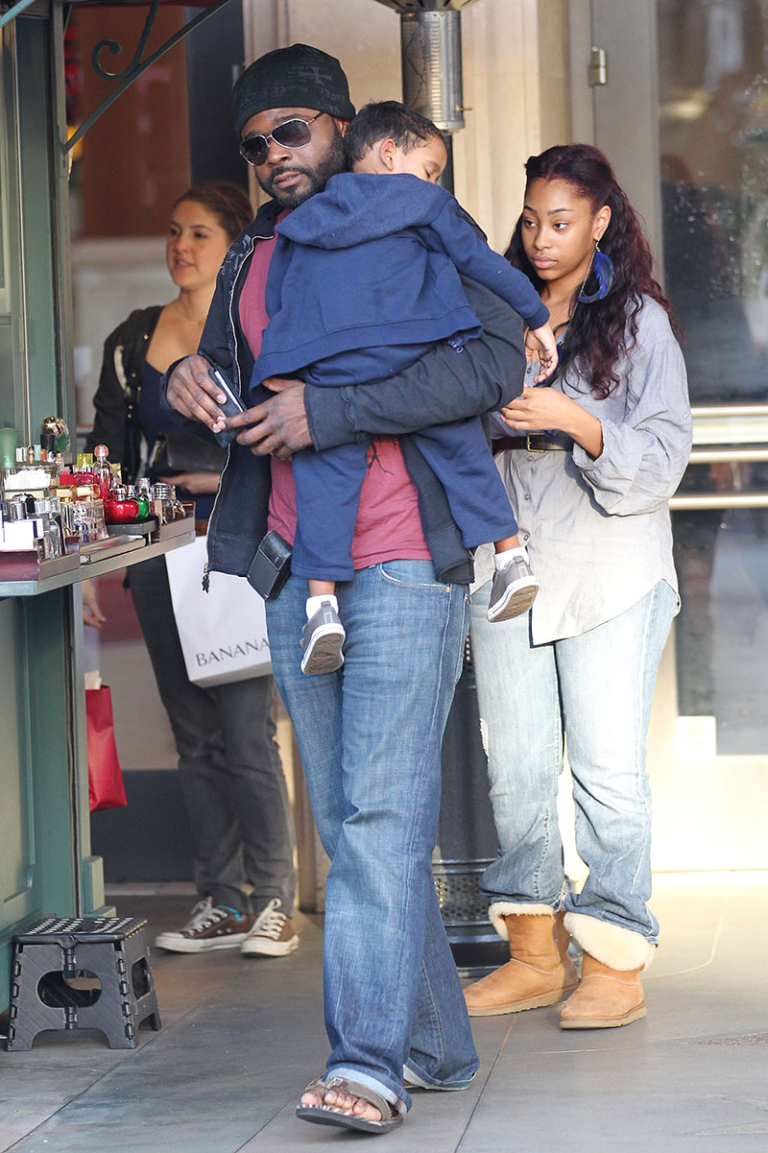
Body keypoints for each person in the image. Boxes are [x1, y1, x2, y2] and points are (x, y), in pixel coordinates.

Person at [163, 43, 528, 1134]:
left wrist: (333, 413)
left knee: (376, 818)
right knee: (356, 819)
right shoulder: (255, 254)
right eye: (255, 144)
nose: (274, 155)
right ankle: (438, 1040)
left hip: (407, 555)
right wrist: (190, 382)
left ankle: (366, 1062)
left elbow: (496, 364)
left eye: (292, 131)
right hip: (294, 566)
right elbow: (235, 380)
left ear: (340, 126)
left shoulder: (414, 217)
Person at [462, 144, 692, 1029]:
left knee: (605, 769)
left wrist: (576, 420)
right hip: (505, 556)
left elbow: (663, 456)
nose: (541, 238)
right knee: (516, 766)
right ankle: (532, 953)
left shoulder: (637, 321)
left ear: (600, 221)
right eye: (530, 220)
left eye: (560, 222)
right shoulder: (495, 310)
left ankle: (614, 957)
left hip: (609, 562)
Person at [250, 100, 558, 674]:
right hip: (408, 348)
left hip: (332, 363)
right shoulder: (423, 203)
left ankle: (321, 607)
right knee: (458, 442)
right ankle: (510, 557)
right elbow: (482, 263)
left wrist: (281, 361)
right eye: (430, 168)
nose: (434, 182)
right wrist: (536, 316)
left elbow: (282, 294)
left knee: (324, 475)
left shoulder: (302, 221)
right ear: (390, 154)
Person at [85, 181, 299, 960]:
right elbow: (106, 456)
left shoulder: (257, 326)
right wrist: (89, 564)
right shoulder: (133, 337)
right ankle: (223, 898)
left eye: (199, 233)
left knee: (246, 732)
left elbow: (282, 431)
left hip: (234, 547)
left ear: (234, 245)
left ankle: (274, 898)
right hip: (157, 554)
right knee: (194, 738)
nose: (181, 246)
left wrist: (218, 477)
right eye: (174, 231)